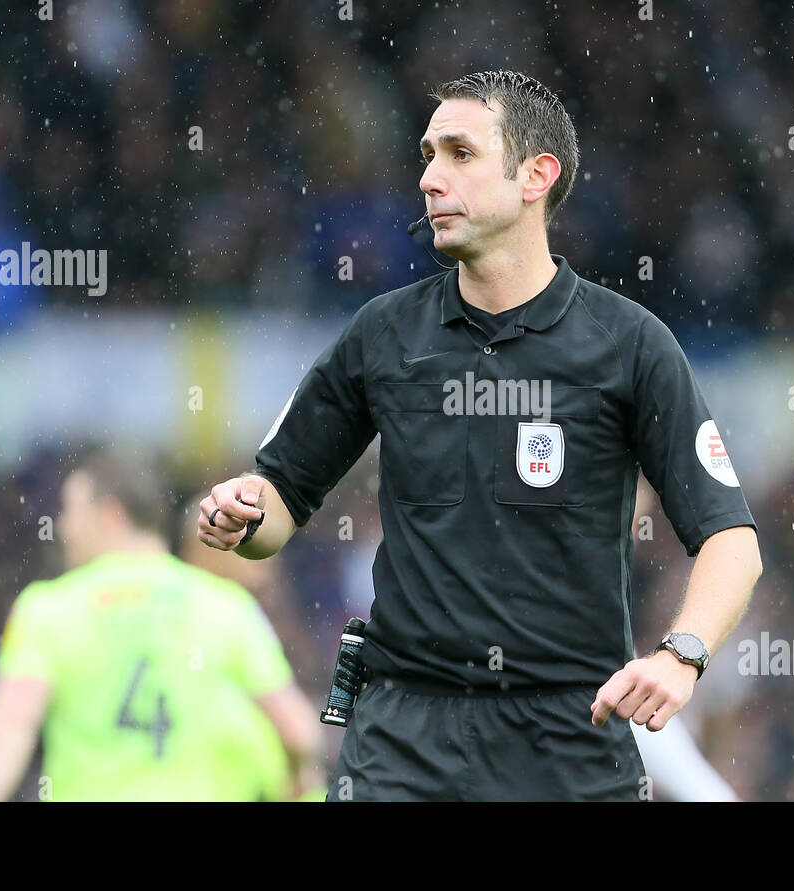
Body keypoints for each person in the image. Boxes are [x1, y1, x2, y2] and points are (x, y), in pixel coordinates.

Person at [199, 70, 763, 801]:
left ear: (537, 175)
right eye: (428, 156)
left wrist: (682, 654)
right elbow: (278, 504)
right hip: (402, 738)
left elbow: (732, 541)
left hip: (568, 740)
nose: (430, 178)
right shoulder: (384, 334)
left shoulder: (628, 346)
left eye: (459, 154)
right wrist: (245, 509)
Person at [0, 447, 320, 801]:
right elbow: (298, 733)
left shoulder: (50, 609)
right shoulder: (227, 608)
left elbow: (7, 729)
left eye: (70, 511)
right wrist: (295, 782)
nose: (64, 527)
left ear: (111, 514)